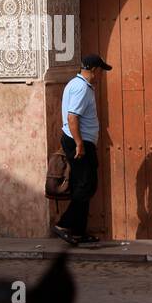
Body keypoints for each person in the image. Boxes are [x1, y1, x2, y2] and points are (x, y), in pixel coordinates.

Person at [55, 54, 112, 245]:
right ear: (95, 70)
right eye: (102, 70)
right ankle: (64, 224)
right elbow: (72, 117)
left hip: (80, 140)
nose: (102, 75)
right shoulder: (81, 88)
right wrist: (79, 143)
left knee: (86, 185)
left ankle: (79, 231)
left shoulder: (76, 84)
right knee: (85, 185)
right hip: (79, 142)